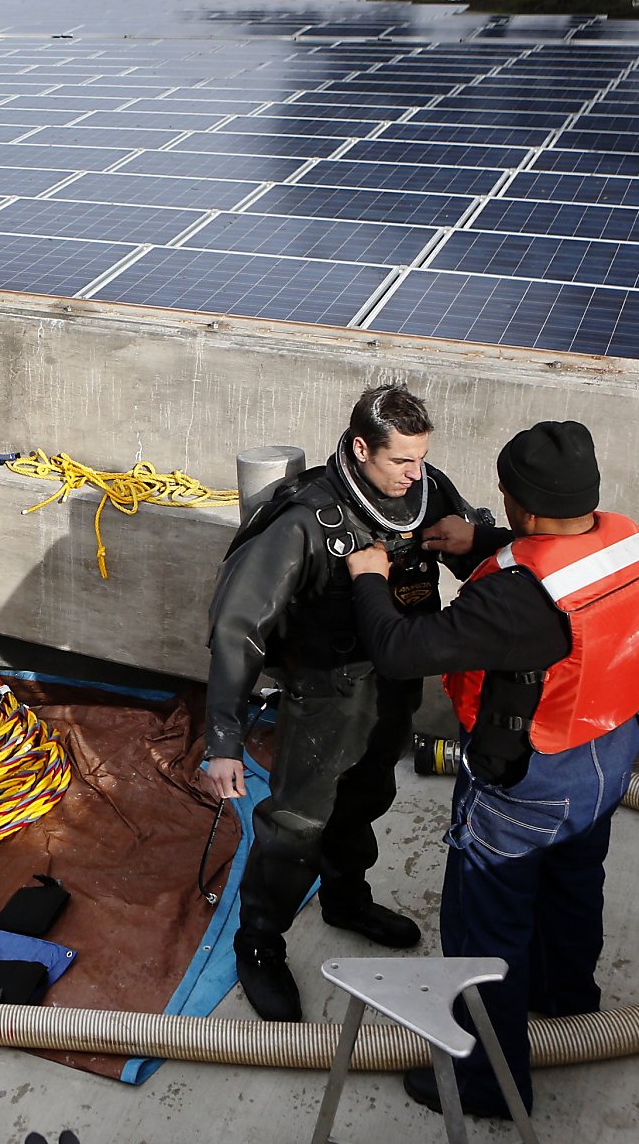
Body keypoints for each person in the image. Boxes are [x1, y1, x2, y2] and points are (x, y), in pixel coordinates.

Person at [344, 419, 639, 1122]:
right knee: (573, 884)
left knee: (485, 930)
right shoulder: (627, 539)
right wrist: (480, 541)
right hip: (607, 756)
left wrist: (369, 580)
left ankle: (485, 1084)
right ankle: (565, 999)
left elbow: (401, 649)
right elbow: (559, 569)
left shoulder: (518, 600)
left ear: (523, 506)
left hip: (531, 782)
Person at [200, 382, 475, 1021]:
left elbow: (469, 555)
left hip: (393, 687)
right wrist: (224, 742)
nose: (414, 473)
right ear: (360, 448)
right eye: (400, 460)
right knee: (297, 824)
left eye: (421, 458)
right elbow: (237, 630)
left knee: (365, 800)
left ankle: (345, 900)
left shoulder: (427, 492)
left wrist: (478, 540)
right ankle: (258, 943)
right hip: (327, 697)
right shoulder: (305, 520)